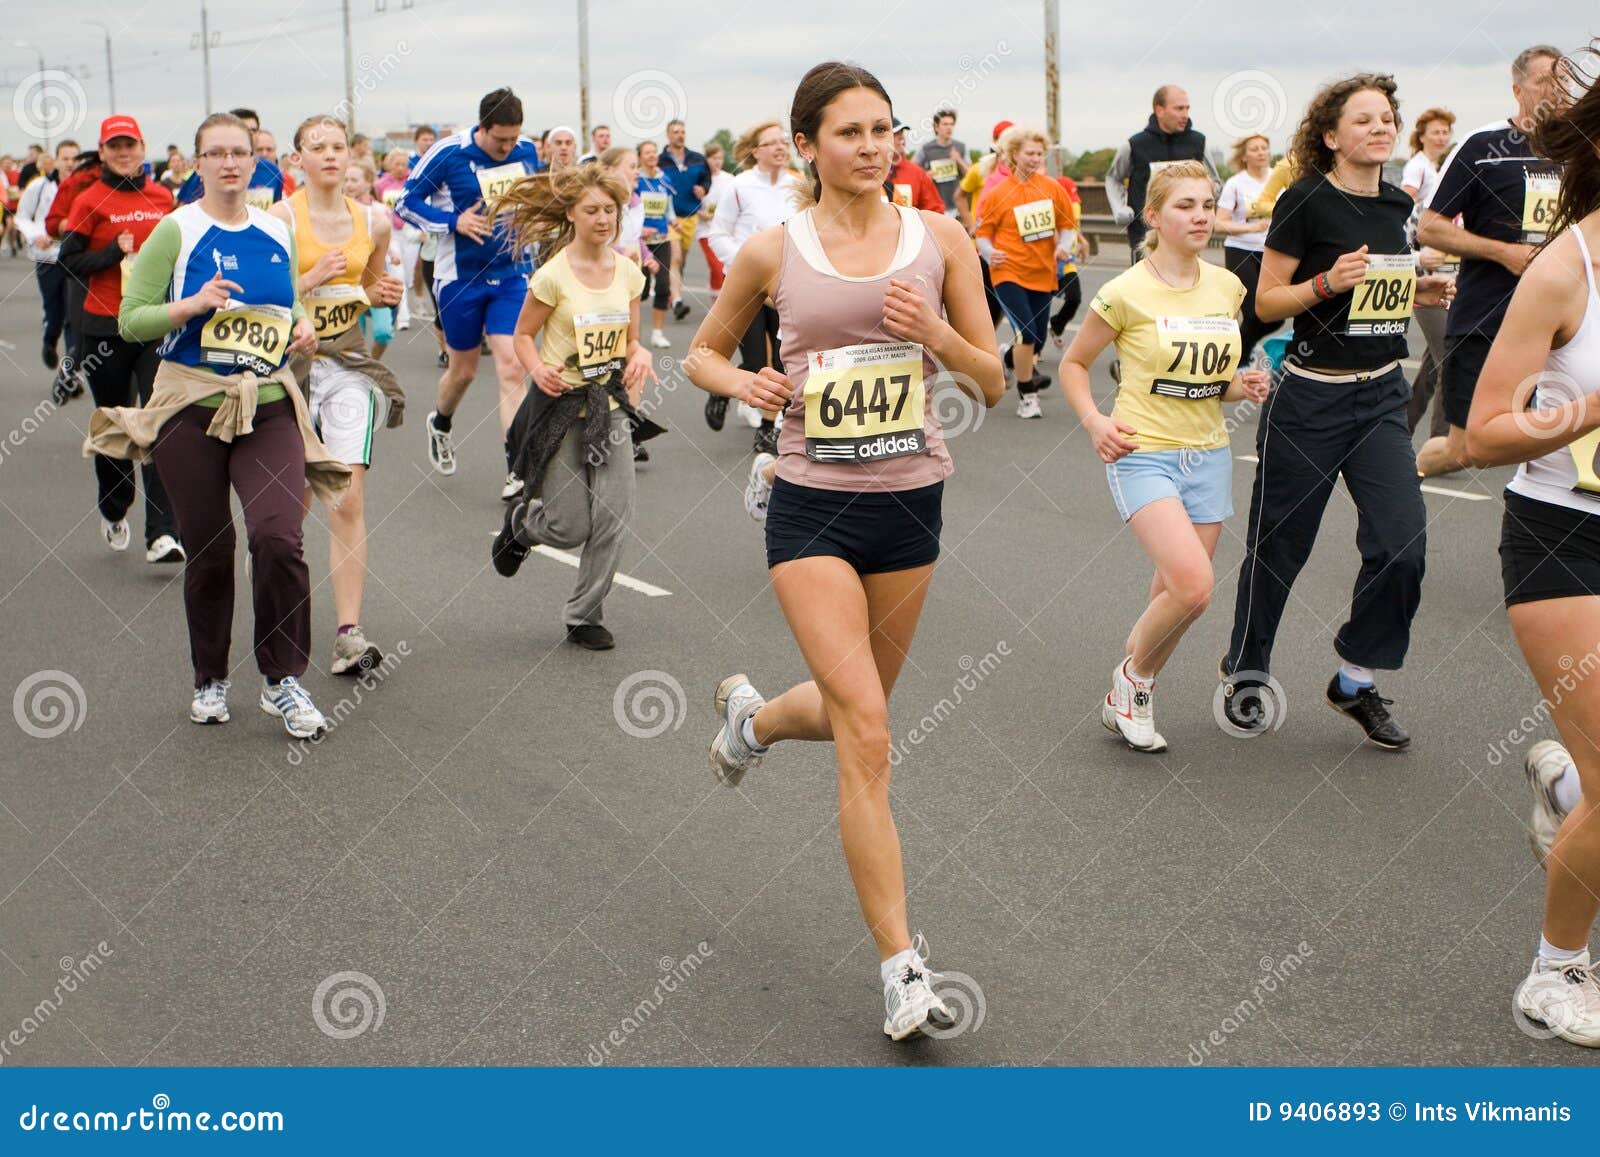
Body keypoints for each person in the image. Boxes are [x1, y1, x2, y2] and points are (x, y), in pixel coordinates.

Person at [686, 62, 1004, 1041]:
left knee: (847, 706)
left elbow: (992, 380)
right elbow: (702, 352)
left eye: (883, 129)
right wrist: (745, 386)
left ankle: (752, 719)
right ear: (808, 145)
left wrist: (938, 333)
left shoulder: (941, 238)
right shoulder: (773, 250)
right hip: (811, 510)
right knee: (867, 729)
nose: (872, 147)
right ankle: (903, 966)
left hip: (909, 503)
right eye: (850, 132)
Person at [1218, 73, 1454, 749]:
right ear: (1330, 135)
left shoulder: (1398, 202)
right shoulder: (1305, 199)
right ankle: (1248, 667)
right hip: (1310, 397)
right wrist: (1326, 282)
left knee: (1402, 544)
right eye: (1363, 120)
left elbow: (1376, 293)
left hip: (1380, 396)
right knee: (1279, 547)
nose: (1380, 128)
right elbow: (1267, 302)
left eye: (1387, 119)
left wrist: (1415, 287)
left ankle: (1355, 679)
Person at [89, 112, 339, 737]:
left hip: (267, 403)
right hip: (191, 406)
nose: (229, 163)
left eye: (240, 153)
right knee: (209, 548)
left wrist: (302, 324)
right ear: (197, 163)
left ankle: (283, 680)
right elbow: (131, 319)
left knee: (278, 537)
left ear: (256, 161)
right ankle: (210, 677)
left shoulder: (276, 227)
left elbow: (287, 299)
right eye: (216, 153)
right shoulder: (177, 230)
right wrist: (191, 305)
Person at [1462, 47, 1600, 1047]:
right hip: (1565, 537)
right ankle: (1555, 972)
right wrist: (1588, 409)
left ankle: (1567, 785)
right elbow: (1482, 431)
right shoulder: (1565, 269)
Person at [1061, 161, 1271, 751]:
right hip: (1143, 452)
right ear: (1153, 216)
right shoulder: (1124, 291)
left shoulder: (1227, 286)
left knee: (1174, 597)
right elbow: (1075, 364)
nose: (1201, 216)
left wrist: (1243, 385)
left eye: (1206, 204)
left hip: (1208, 455)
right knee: (1195, 587)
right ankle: (1135, 683)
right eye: (1185, 205)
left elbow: (1212, 379)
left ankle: (1129, 685)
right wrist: (1096, 422)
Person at [489, 165, 656, 650]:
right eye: (592, 210)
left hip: (609, 406)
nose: (603, 219)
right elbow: (523, 336)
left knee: (613, 517)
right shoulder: (552, 276)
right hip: (560, 408)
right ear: (571, 215)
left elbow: (632, 340)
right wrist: (537, 369)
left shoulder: (628, 272)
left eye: (610, 210)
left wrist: (641, 353)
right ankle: (521, 526)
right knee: (569, 526)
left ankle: (584, 615)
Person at [272, 115, 407, 676]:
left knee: (346, 499)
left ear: (350, 158)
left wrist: (383, 293)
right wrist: (309, 280)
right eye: (317, 147)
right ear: (297, 159)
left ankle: (349, 635)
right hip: (290, 369)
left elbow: (371, 288)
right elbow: (261, 297)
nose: (329, 155)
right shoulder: (279, 220)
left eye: (337, 147)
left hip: (347, 363)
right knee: (287, 511)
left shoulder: (373, 220)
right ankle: (279, 616)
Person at [1417, 46, 1566, 478]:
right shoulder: (1484, 147)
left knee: (1558, 437)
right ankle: (1405, 479)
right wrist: (1505, 253)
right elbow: (1430, 227)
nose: (1557, 90)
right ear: (1518, 90)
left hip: (1559, 324)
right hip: (1487, 319)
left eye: (1563, 80)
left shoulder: (1579, 151)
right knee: (1466, 449)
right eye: (1545, 81)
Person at [399, 87, 544, 500]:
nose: (507, 147)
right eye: (500, 139)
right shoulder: (449, 153)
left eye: (513, 138)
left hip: (511, 275)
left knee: (512, 366)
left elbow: (533, 199)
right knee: (463, 371)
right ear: (482, 127)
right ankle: (441, 422)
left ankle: (517, 469)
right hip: (459, 278)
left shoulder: (527, 151)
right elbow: (406, 203)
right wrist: (453, 222)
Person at [58, 116, 184, 564]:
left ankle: (162, 533)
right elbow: (68, 260)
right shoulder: (89, 199)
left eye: (130, 144)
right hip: (106, 329)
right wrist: (113, 253)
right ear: (103, 152)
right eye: (115, 146)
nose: (124, 152)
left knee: (160, 422)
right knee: (115, 425)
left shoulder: (161, 197)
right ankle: (114, 507)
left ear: (142, 147)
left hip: (154, 326)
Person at [705, 120, 803, 455]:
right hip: (746, 286)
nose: (780, 148)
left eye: (784, 142)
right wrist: (748, 264)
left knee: (784, 357)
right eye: (771, 143)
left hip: (783, 286)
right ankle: (721, 387)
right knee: (757, 359)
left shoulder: (798, 184)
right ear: (755, 151)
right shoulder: (740, 186)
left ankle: (767, 427)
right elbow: (718, 234)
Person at [974, 127, 1077, 418]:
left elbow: (1067, 225)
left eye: (1039, 154)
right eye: (1030, 153)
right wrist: (989, 253)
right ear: (1014, 155)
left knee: (1036, 339)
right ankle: (1027, 396)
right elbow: (983, 234)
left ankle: (1008, 358)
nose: (1035, 158)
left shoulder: (1052, 188)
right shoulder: (999, 193)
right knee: (1027, 333)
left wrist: (1064, 247)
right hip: (1008, 272)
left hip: (1043, 273)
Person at [1106, 85, 1219, 262]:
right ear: (1160, 110)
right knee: (1146, 280)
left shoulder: (1199, 143)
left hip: (1185, 235)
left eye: (1187, 108)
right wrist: (1120, 208)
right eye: (1179, 109)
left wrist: (1208, 201)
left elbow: (1214, 182)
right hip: (1145, 237)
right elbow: (1113, 178)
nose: (1185, 114)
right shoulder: (1134, 145)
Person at [1401, 107, 1457, 438]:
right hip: (1421, 277)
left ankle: (1401, 427)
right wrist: (1417, 254)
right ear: (1421, 136)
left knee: (1432, 368)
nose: (1441, 137)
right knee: (1450, 360)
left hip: (1446, 278)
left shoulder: (1438, 169)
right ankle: (1442, 442)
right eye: (1435, 132)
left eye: (1445, 132)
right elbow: (1400, 214)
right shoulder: (1417, 168)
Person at [1214, 133, 1281, 366]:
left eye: (1264, 147)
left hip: (1272, 252)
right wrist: (1250, 228)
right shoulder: (1235, 183)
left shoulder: (1279, 179)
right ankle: (1239, 360)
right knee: (1253, 312)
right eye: (1254, 149)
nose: (1261, 152)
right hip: (1241, 251)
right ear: (1244, 156)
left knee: (1276, 315)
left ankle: (1238, 352)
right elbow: (1218, 223)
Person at [15, 142, 78, 377]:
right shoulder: (39, 186)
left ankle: (69, 374)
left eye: (74, 158)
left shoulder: (85, 188)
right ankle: (49, 340)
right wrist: (36, 235)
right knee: (55, 315)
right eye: (65, 158)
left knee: (73, 317)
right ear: (56, 160)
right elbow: (21, 217)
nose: (70, 163)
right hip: (47, 259)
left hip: (76, 260)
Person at [177, 108, 285, 208]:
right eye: (242, 129)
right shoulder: (209, 172)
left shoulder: (272, 171)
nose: (248, 134)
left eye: (253, 130)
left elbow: (277, 208)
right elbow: (185, 206)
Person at [659, 119, 710, 322]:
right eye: (676, 132)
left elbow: (706, 179)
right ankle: (677, 301)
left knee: (681, 260)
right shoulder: (661, 161)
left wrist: (703, 188)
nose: (680, 135)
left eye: (682, 132)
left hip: (691, 216)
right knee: (676, 257)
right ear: (668, 136)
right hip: (669, 217)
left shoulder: (697, 158)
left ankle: (671, 290)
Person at [635, 140, 677, 348]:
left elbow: (668, 206)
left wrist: (673, 220)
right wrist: (640, 229)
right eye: (647, 152)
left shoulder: (664, 179)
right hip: (640, 242)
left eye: (654, 152)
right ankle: (632, 334)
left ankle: (657, 333)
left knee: (663, 285)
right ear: (640, 157)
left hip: (661, 239)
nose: (652, 155)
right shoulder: (636, 180)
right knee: (639, 289)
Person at [694, 142, 735, 309]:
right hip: (705, 230)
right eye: (713, 158)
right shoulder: (699, 179)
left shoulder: (730, 179)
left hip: (725, 230)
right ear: (706, 159)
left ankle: (720, 303)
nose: (717, 161)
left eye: (720, 158)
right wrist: (699, 213)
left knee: (723, 268)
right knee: (716, 266)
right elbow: (690, 203)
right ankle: (717, 307)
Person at [913, 107, 968, 216]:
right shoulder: (926, 148)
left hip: (957, 207)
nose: (949, 128)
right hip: (934, 207)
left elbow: (971, 174)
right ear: (936, 127)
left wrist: (959, 160)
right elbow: (912, 171)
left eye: (951, 124)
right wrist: (925, 175)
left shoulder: (960, 147)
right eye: (945, 124)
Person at [889, 121, 944, 213]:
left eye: (901, 133)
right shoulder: (868, 172)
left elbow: (935, 210)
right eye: (894, 134)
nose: (901, 138)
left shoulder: (917, 173)